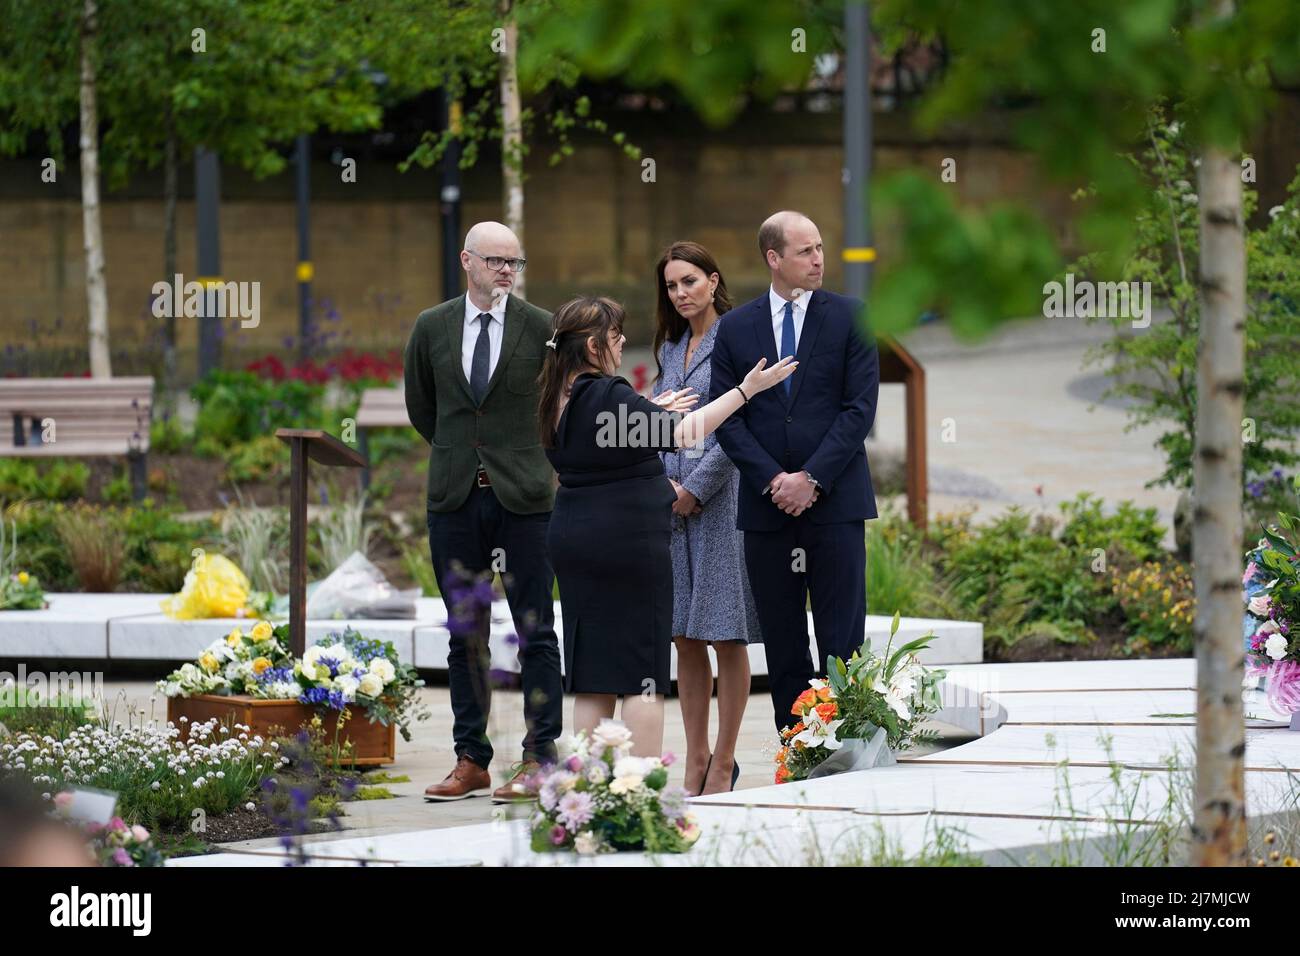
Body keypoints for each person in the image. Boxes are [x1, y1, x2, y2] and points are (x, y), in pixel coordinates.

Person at [540, 296, 794, 758]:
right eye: (616, 338)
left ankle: (588, 790)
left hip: (575, 538)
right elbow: (685, 434)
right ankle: (640, 795)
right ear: (595, 345)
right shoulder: (607, 393)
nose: (622, 347)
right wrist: (744, 392)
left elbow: (606, 438)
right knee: (643, 676)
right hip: (626, 543)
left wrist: (648, 408)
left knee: (593, 676)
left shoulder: (558, 395)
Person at [404, 221, 564, 803]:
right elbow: (424, 408)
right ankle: (471, 759)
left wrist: (521, 462)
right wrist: (463, 457)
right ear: (466, 260)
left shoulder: (544, 328)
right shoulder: (432, 327)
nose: (505, 271)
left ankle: (540, 758)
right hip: (454, 501)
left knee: (535, 631)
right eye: (495, 260)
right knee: (464, 634)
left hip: (524, 501)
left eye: (514, 263)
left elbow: (558, 405)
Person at [709, 210, 880, 737]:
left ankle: (849, 746)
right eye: (806, 250)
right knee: (783, 642)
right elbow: (726, 414)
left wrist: (812, 478)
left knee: (842, 639)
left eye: (821, 248)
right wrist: (773, 481)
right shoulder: (736, 328)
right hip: (768, 511)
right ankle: (796, 749)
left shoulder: (852, 316)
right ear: (773, 258)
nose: (818, 259)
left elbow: (859, 409)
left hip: (836, 504)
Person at [652, 241, 761, 795]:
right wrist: (663, 484)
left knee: (725, 634)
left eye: (690, 281)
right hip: (671, 507)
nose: (681, 293)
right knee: (684, 637)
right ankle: (694, 758)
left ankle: (724, 760)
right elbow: (653, 421)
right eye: (672, 285)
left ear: (713, 281)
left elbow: (741, 420)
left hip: (721, 502)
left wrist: (695, 487)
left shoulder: (736, 338)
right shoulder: (671, 347)